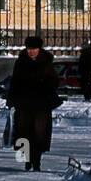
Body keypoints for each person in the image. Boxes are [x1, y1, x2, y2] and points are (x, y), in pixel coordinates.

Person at [8, 34, 60, 172]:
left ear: (39, 49)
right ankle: (27, 160)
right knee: (24, 133)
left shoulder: (46, 62)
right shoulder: (21, 62)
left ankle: (36, 162)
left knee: (39, 134)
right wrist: (11, 100)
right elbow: (14, 82)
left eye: (34, 49)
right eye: (29, 49)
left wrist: (45, 85)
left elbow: (54, 81)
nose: (31, 51)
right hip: (24, 104)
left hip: (41, 105)